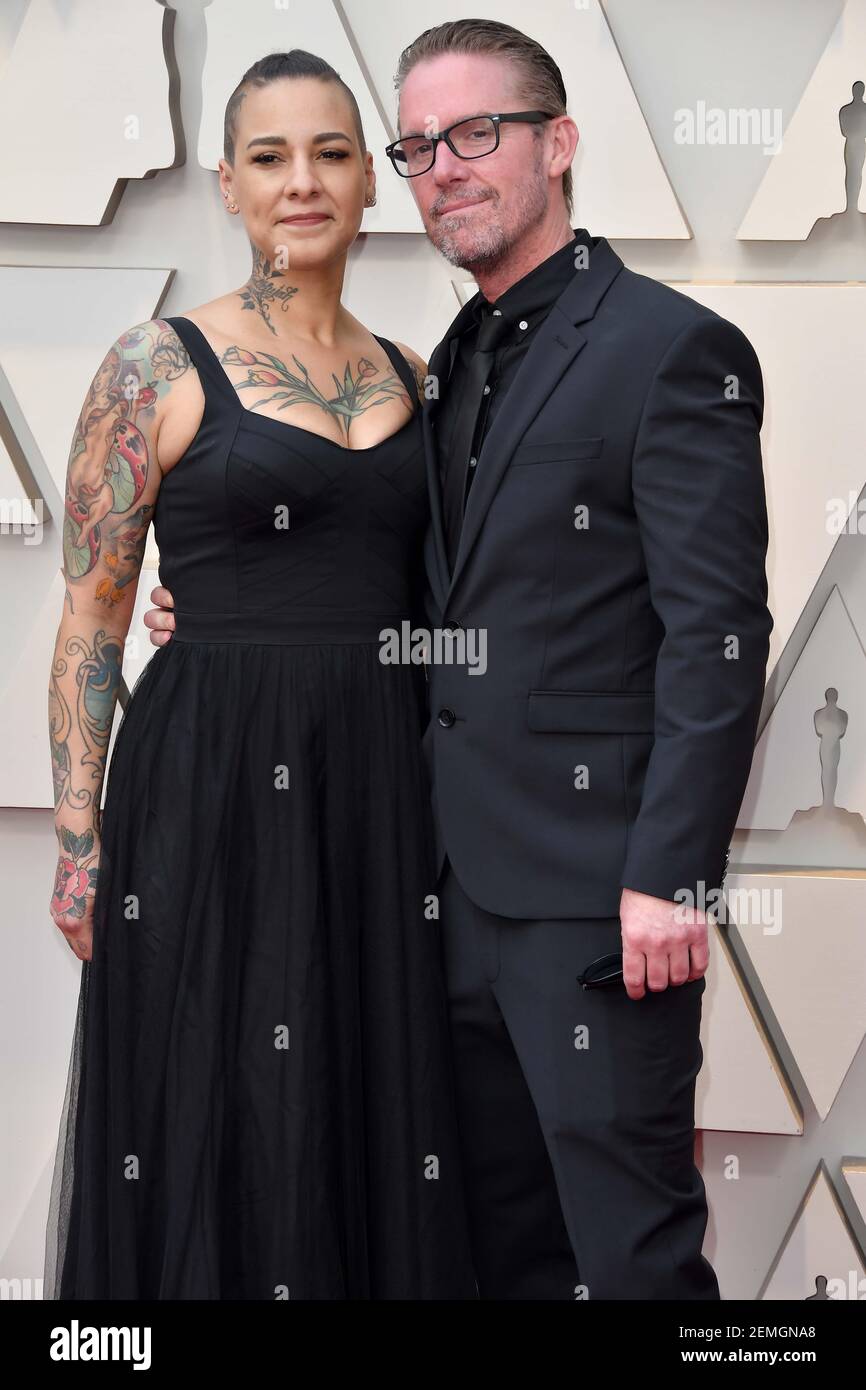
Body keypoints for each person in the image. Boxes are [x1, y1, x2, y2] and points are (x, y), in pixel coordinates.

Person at [147, 20, 774, 1300]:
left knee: (630, 1250)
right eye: (420, 143)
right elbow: (412, 586)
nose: (447, 166)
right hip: (430, 895)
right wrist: (230, 608)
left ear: (558, 142)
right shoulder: (434, 375)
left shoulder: (670, 348)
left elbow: (718, 639)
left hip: (600, 908)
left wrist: (671, 879)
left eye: (477, 133)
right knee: (490, 1256)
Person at [44, 49, 477, 1301]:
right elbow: (88, 620)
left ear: (372, 183)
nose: (304, 182)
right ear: (226, 184)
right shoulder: (155, 366)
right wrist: (79, 841)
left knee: (360, 1094)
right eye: (272, 157)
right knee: (210, 1095)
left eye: (333, 153)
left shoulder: (417, 374)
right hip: (209, 782)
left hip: (379, 799)